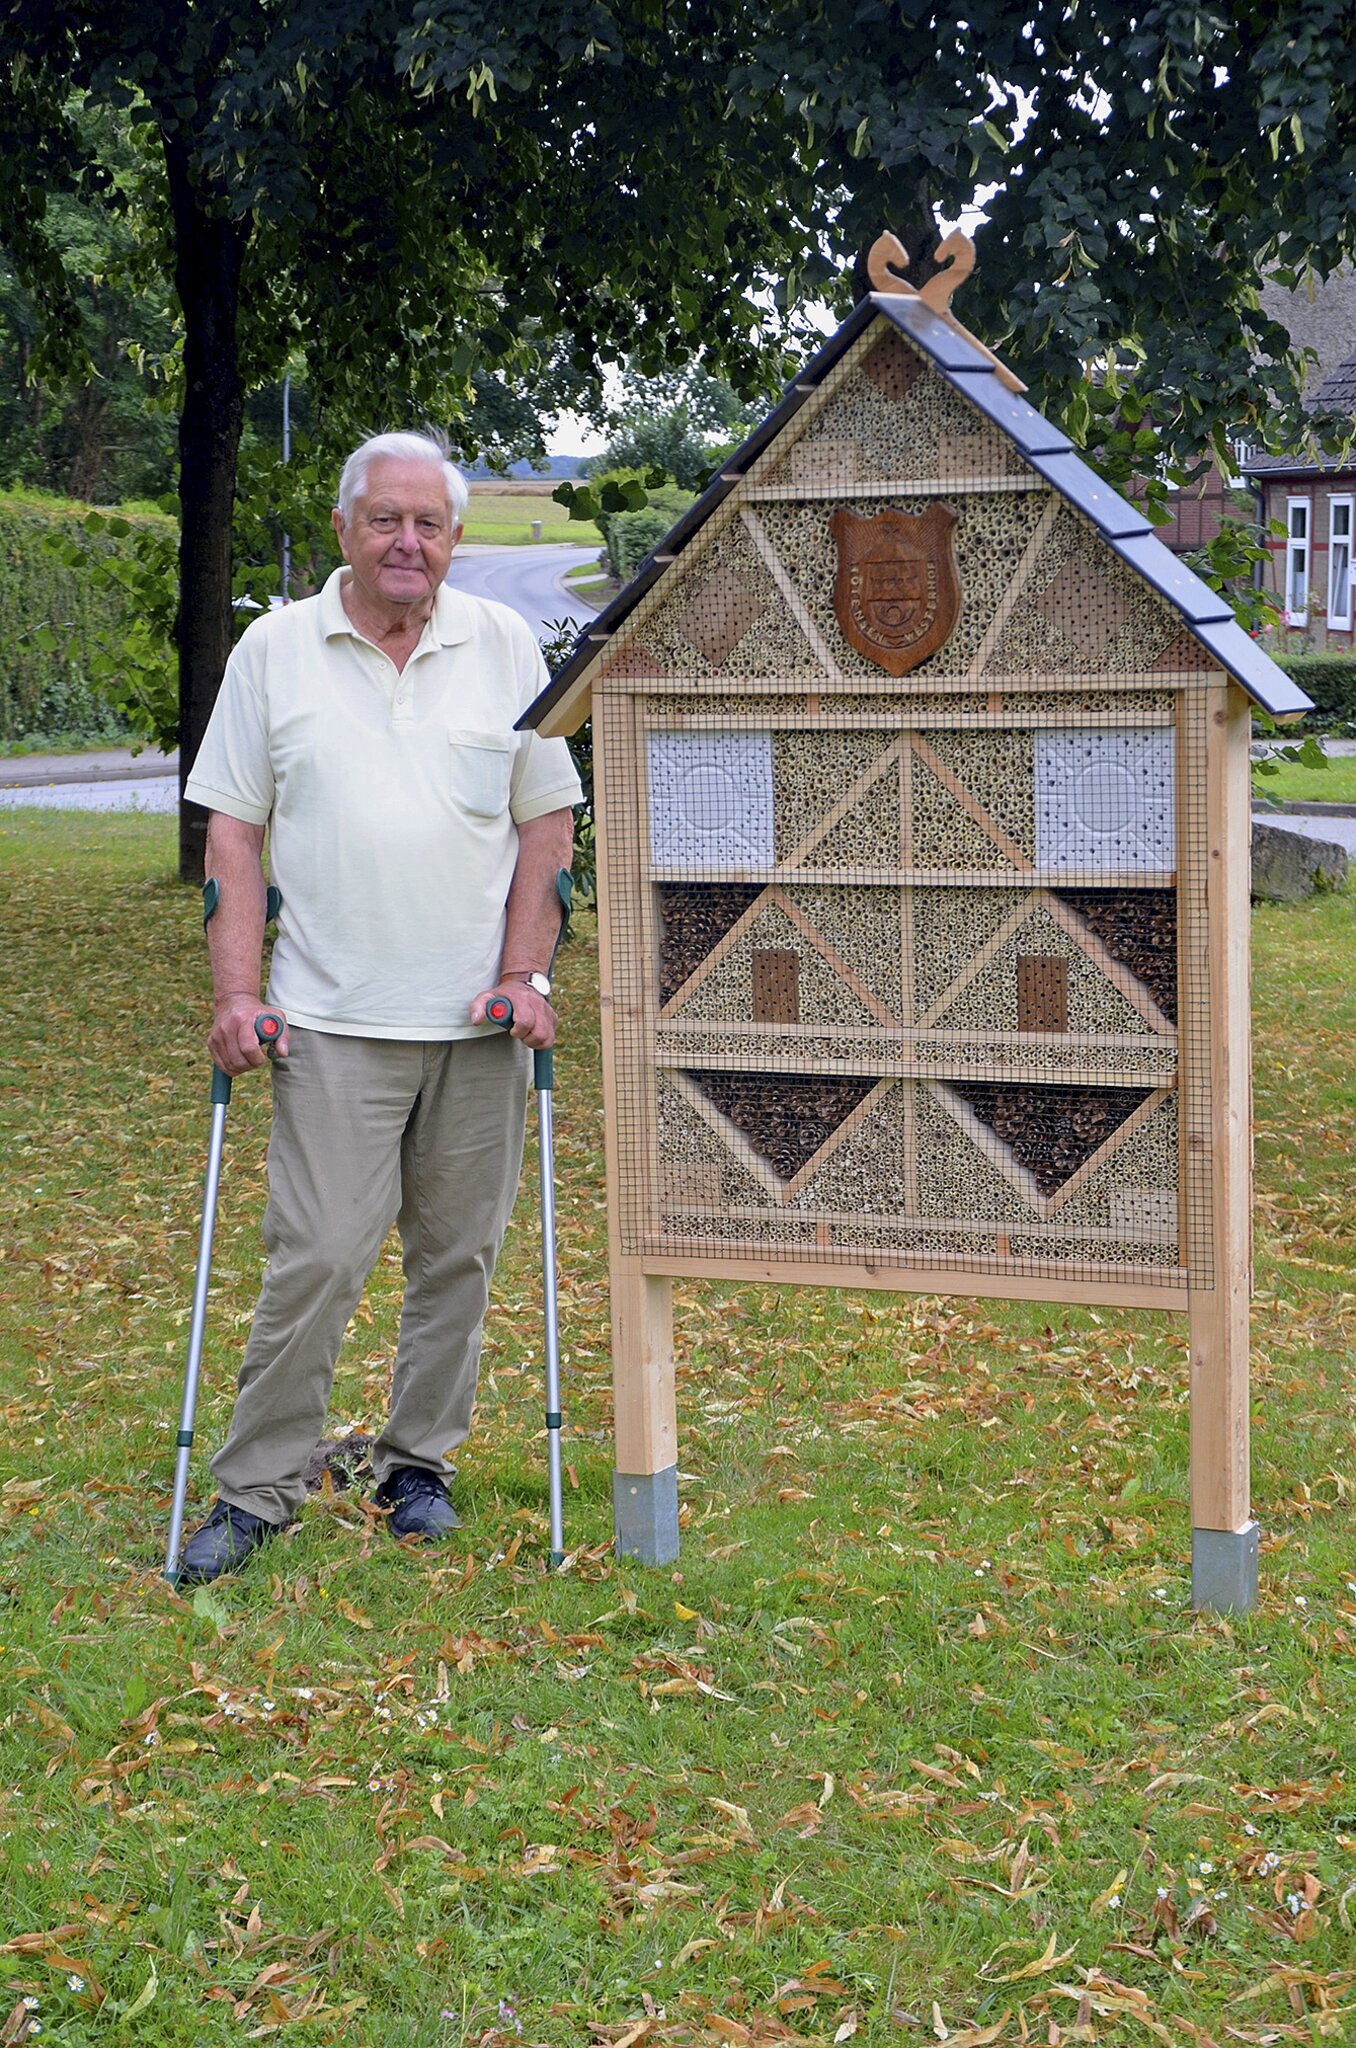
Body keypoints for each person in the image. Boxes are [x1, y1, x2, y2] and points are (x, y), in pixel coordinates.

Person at [176, 430, 581, 1584]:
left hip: (477, 1024)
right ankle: (257, 1488)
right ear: (347, 527)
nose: (410, 541)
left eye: (431, 523)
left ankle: (417, 1466)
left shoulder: (504, 643)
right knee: (317, 1256)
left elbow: (545, 826)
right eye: (387, 520)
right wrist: (237, 992)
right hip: (331, 1022)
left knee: (460, 1257)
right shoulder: (274, 650)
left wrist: (527, 974)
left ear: (454, 539)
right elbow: (234, 833)